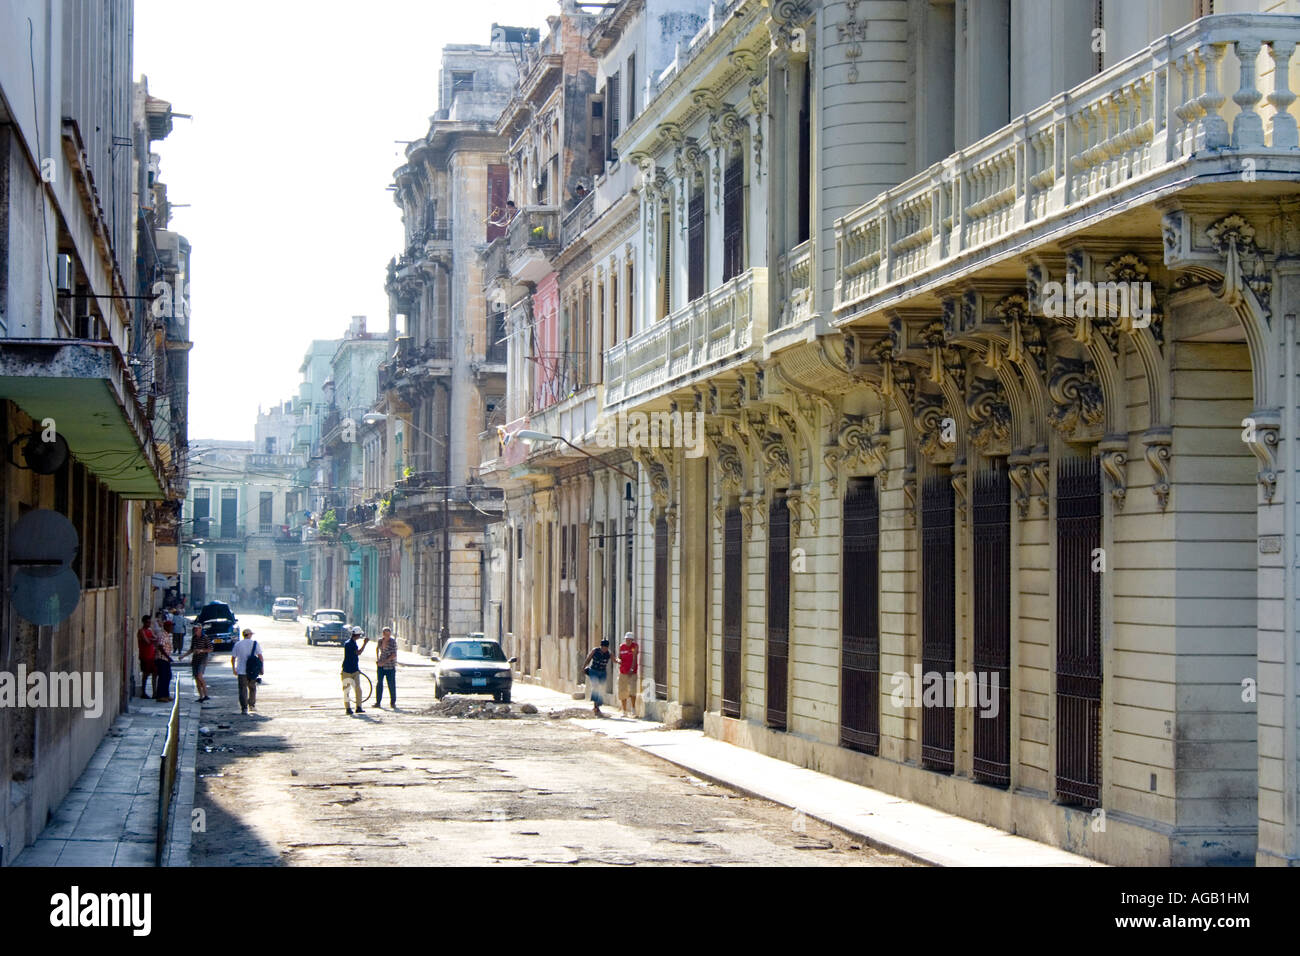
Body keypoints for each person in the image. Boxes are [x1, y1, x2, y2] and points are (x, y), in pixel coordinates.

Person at [231, 628, 263, 716]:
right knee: (252, 688)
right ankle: (251, 705)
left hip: (241, 670)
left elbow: (233, 658)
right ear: (249, 635)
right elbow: (260, 657)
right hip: (252, 671)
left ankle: (244, 708)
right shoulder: (254, 644)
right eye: (251, 634)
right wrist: (261, 669)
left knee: (242, 689)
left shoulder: (238, 644)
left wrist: (234, 669)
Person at [180, 621, 212, 702]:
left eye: (196, 629)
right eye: (194, 629)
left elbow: (210, 649)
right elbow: (191, 649)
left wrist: (201, 650)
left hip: (202, 659)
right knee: (196, 678)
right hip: (195, 660)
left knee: (199, 676)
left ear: (200, 629)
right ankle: (201, 696)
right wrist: (183, 656)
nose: (195, 631)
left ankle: (206, 694)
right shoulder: (194, 638)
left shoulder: (205, 637)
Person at [580, 639, 613, 717]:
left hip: (602, 672)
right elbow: (588, 659)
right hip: (594, 671)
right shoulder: (595, 651)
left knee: (601, 688)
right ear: (601, 646)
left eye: (606, 647)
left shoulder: (608, 653)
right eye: (603, 647)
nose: (605, 649)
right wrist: (584, 667)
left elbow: (614, 659)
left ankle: (597, 705)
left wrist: (619, 661)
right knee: (595, 686)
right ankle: (596, 706)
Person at [342, 626, 368, 715]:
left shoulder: (351, 643)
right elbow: (358, 653)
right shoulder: (349, 644)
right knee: (347, 690)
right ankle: (349, 708)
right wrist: (365, 643)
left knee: (357, 689)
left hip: (354, 670)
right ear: (356, 635)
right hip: (347, 671)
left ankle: (358, 707)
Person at [617, 631, 639, 717]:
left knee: (632, 691)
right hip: (623, 671)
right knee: (622, 691)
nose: (628, 641)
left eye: (629, 640)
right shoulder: (621, 647)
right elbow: (619, 657)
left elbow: (634, 658)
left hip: (632, 673)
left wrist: (632, 669)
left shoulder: (634, 647)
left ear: (632, 640)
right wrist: (618, 660)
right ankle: (624, 710)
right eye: (626, 640)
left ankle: (633, 709)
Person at [374, 626, 397, 709]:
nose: (387, 636)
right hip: (380, 666)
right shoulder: (380, 641)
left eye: (389, 634)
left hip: (390, 666)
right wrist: (377, 659)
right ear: (383, 634)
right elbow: (377, 649)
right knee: (379, 683)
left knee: (391, 684)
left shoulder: (392, 642)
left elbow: (394, 654)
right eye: (386, 634)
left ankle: (393, 702)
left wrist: (384, 662)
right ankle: (378, 702)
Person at [136, 615, 158, 698]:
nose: (149, 624)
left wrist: (153, 640)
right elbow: (147, 641)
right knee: (145, 674)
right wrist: (153, 640)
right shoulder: (141, 631)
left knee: (155, 673)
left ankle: (154, 692)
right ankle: (143, 692)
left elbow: (155, 639)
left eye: (150, 622)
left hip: (152, 655)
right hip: (145, 656)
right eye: (148, 622)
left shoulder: (149, 630)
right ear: (144, 622)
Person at [153, 631, 174, 703]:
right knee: (163, 677)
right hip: (162, 659)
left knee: (168, 677)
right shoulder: (163, 635)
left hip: (166, 660)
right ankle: (160, 696)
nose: (172, 628)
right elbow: (160, 646)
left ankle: (166, 695)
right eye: (171, 626)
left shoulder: (167, 635)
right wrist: (167, 657)